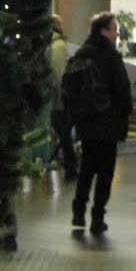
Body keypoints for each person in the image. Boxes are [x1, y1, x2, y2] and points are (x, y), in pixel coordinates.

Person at [66, 10, 133, 237]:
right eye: (113, 29)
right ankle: (97, 217)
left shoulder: (82, 54)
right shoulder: (111, 56)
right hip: (109, 121)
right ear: (104, 31)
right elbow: (123, 89)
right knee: (105, 172)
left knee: (87, 167)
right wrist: (126, 111)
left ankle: (78, 211)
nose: (116, 33)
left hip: (86, 121)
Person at [48, 14, 78, 180]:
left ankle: (69, 163)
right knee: (64, 132)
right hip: (59, 98)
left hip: (54, 97)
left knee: (62, 131)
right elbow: (59, 73)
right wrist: (62, 95)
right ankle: (71, 165)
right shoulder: (58, 45)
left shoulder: (49, 44)